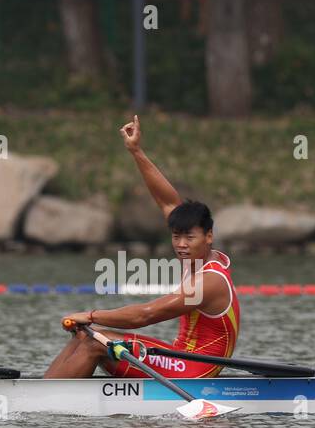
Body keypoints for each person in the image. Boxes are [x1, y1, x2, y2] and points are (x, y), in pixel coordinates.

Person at [45, 115, 238, 379]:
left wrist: (91, 315)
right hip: (180, 358)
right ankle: (43, 390)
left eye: (189, 238)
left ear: (209, 236)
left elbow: (146, 315)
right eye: (176, 237)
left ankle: (44, 403)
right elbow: (167, 201)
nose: (181, 245)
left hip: (196, 370)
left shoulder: (209, 281)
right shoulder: (196, 256)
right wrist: (135, 151)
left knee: (93, 340)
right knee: (83, 338)